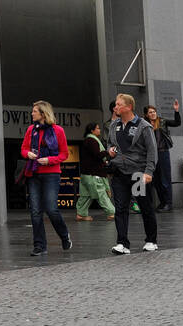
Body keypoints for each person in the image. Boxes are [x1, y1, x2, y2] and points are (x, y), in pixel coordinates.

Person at [107, 93, 159, 254]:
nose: (115, 107)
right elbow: (109, 143)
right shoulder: (113, 125)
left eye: (118, 104)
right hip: (119, 173)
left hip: (138, 174)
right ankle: (122, 243)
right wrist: (110, 150)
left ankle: (151, 240)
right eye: (116, 104)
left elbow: (152, 151)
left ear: (128, 107)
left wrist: (148, 171)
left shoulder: (143, 126)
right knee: (120, 208)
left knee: (144, 206)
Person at [20, 101, 72, 257]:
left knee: (51, 209)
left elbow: (64, 154)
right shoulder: (31, 130)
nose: (32, 113)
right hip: (33, 173)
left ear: (43, 114)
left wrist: (49, 160)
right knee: (35, 211)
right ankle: (39, 246)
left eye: (35, 111)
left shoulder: (58, 131)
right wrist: (27, 154)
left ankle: (64, 235)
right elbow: (23, 149)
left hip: (51, 173)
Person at [143, 100, 181, 211]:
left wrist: (176, 111)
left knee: (165, 179)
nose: (153, 113)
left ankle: (168, 203)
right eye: (150, 112)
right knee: (156, 180)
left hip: (163, 152)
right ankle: (163, 202)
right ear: (146, 114)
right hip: (151, 155)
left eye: (154, 111)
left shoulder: (162, 121)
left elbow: (177, 123)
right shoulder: (145, 124)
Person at [75, 121, 115, 222]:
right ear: (92, 130)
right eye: (97, 128)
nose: (99, 130)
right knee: (101, 194)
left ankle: (81, 213)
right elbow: (97, 155)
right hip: (93, 173)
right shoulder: (92, 141)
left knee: (86, 195)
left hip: (85, 174)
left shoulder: (87, 140)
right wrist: (107, 152)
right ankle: (112, 212)